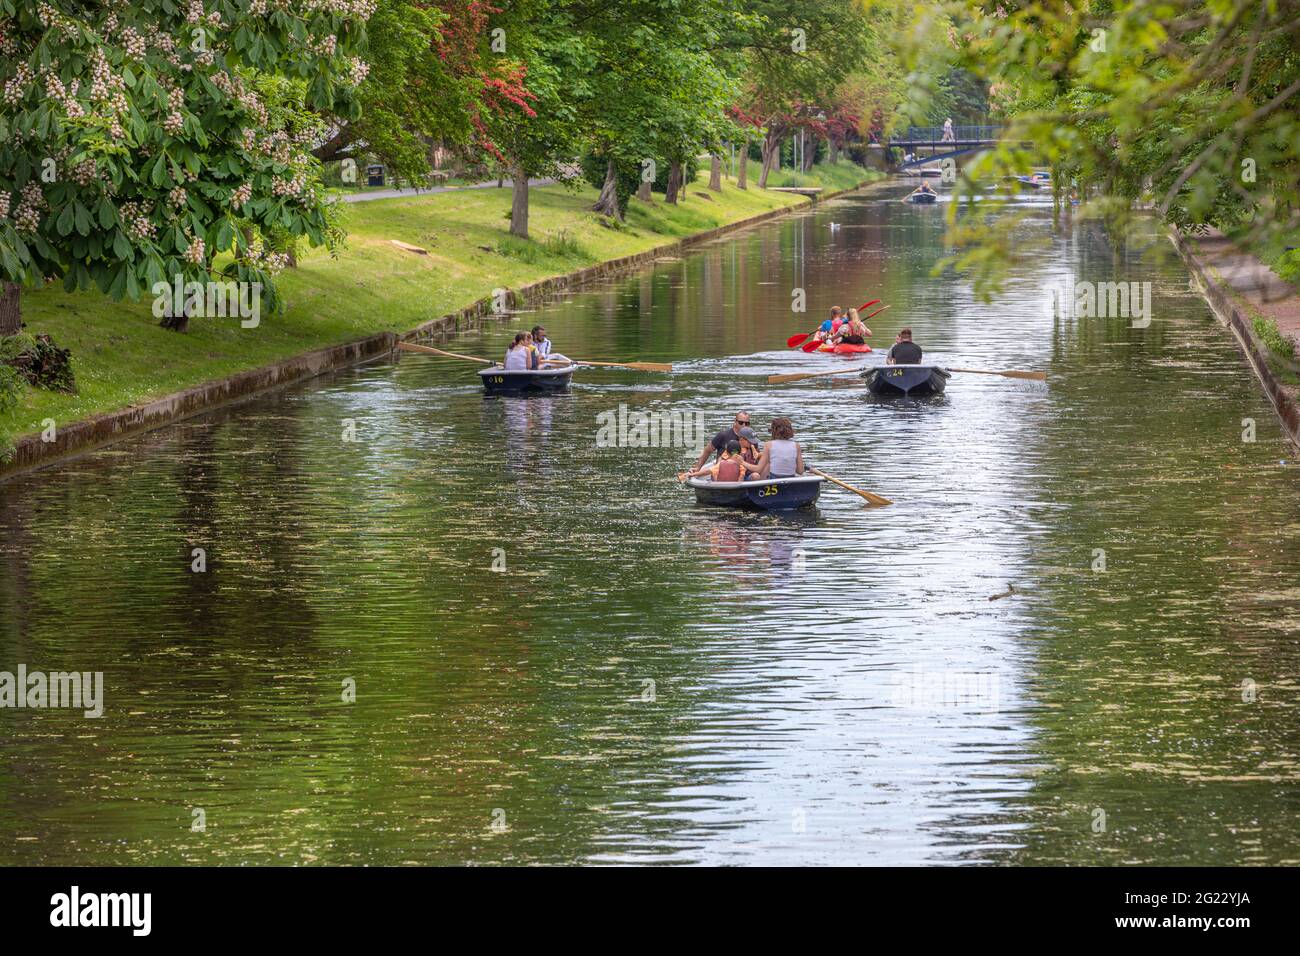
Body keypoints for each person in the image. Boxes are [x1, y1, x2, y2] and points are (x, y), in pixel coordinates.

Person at [679, 440, 745, 483]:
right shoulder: (742, 465)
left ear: (727, 453)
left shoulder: (721, 464)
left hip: (721, 487)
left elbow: (707, 472)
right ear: (740, 452)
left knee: (713, 473)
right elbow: (741, 478)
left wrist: (692, 474)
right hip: (735, 488)